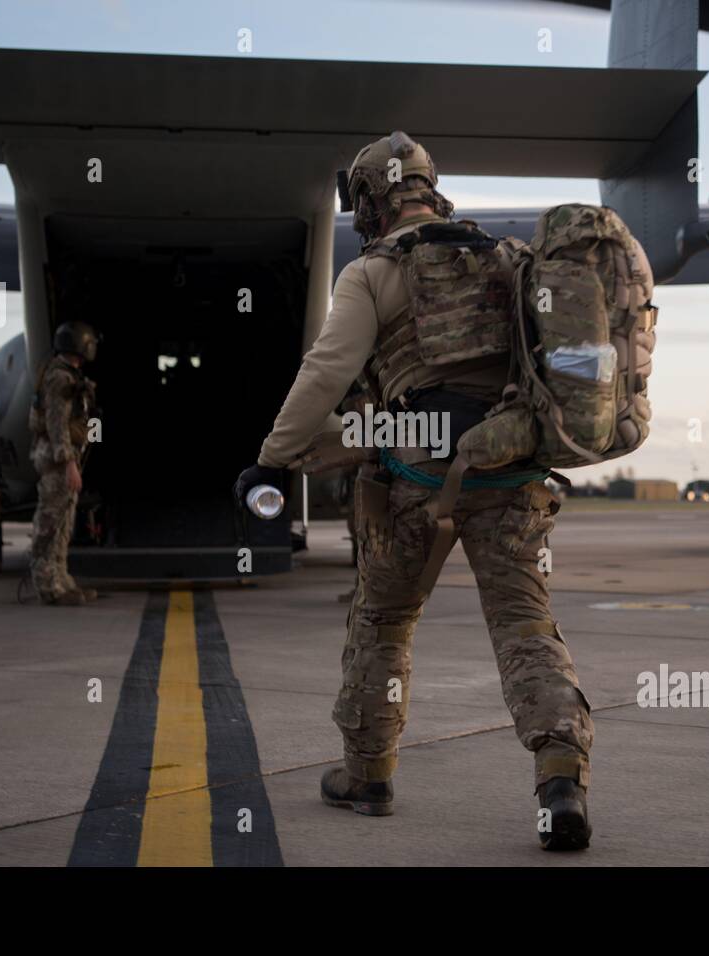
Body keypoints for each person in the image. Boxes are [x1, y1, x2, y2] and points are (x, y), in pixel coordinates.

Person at [234, 132, 594, 850]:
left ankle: (368, 776)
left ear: (370, 199)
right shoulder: (507, 258)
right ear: (430, 186)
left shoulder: (372, 272)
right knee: (523, 623)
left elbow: (327, 372)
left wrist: (272, 459)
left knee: (383, 621)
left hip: (416, 482)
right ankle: (561, 779)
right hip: (510, 472)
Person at [28, 320, 100, 606]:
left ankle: (60, 579)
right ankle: (48, 586)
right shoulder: (60, 378)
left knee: (63, 523)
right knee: (51, 521)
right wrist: (69, 462)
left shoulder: (67, 374)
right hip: (57, 460)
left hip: (64, 458)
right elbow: (56, 423)